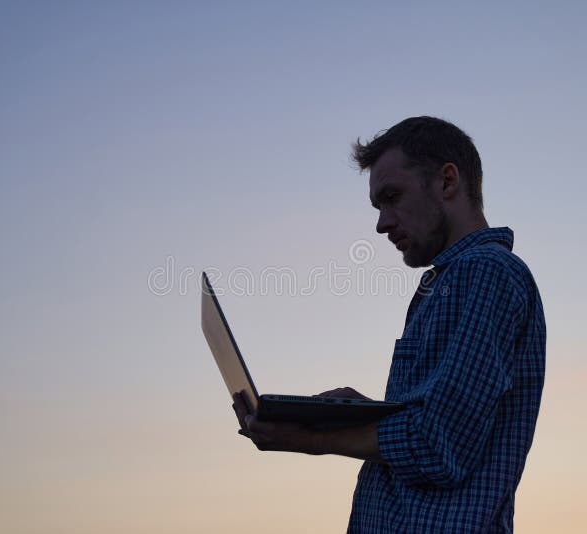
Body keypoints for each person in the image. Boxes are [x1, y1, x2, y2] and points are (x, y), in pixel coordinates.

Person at [232, 116, 546, 533]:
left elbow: (437, 444)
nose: (382, 223)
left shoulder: (486, 273)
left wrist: (312, 439)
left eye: (392, 197)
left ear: (447, 181)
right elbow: (434, 423)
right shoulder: (453, 281)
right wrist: (359, 413)